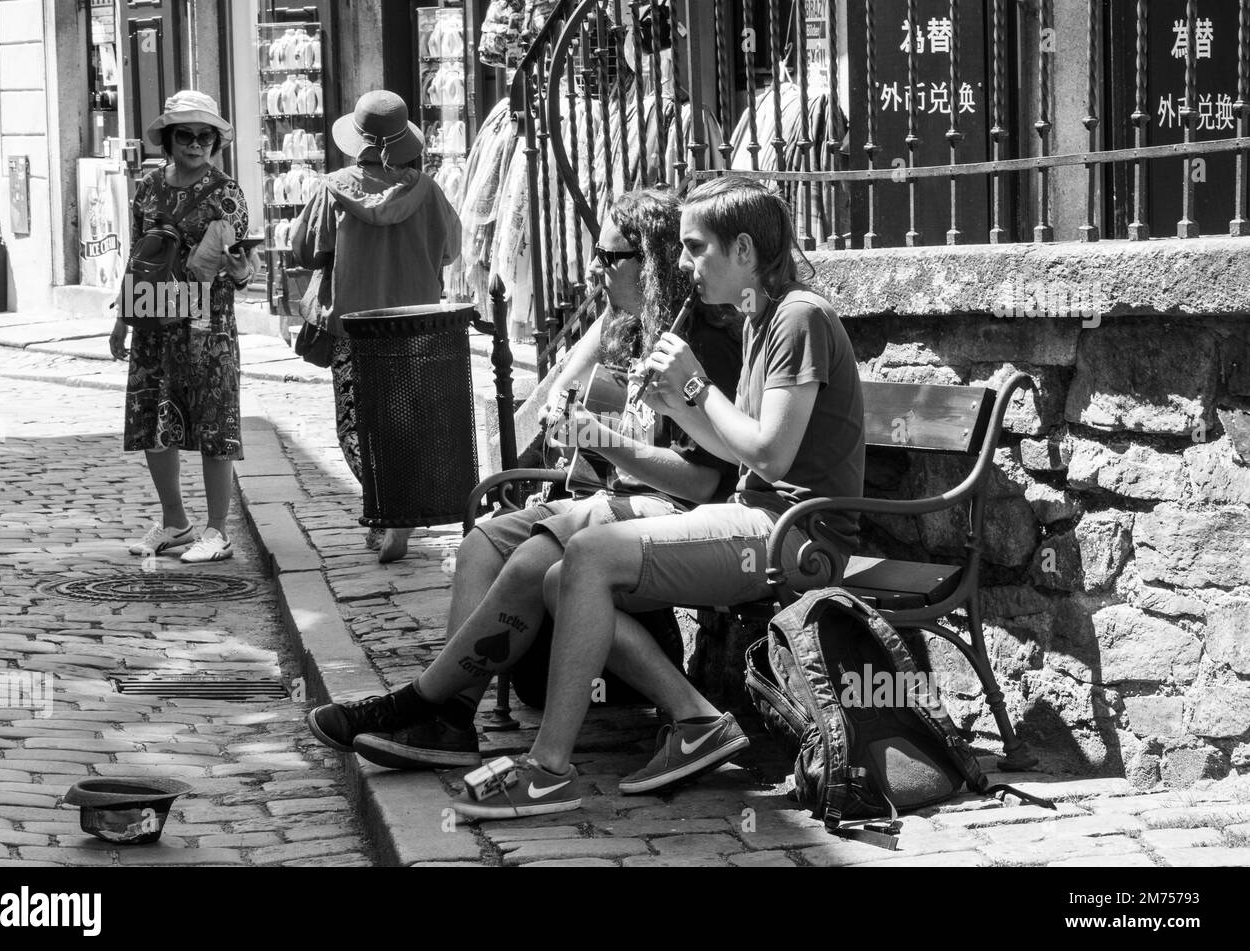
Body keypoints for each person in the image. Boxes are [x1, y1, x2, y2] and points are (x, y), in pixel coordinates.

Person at [452, 175, 867, 819]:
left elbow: (769, 455)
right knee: (563, 579)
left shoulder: (800, 318)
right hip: (755, 519)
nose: (681, 263)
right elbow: (731, 450)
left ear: (745, 251)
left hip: (794, 535)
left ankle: (547, 771)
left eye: (695, 247)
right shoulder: (761, 316)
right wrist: (675, 400)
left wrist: (697, 390)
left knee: (586, 556)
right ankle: (697, 721)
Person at [305, 187, 743, 769]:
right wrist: (579, 401)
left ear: (651, 261)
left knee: (540, 561)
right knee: (482, 543)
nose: (594, 268)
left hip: (672, 511)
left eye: (610, 258)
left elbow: (705, 484)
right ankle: (452, 718)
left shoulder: (698, 344)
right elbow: (566, 385)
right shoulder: (627, 326)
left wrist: (600, 439)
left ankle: (421, 703)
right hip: (610, 501)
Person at [290, 90, 462, 563]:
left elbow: (304, 250)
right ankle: (399, 505)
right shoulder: (427, 190)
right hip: (415, 328)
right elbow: (450, 251)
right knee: (405, 419)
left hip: (354, 327)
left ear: (359, 140)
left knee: (356, 424)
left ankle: (389, 507)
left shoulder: (333, 187)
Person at [112, 91, 255, 563]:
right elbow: (137, 255)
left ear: (215, 142)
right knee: (155, 420)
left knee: (214, 422)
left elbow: (242, 271)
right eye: (186, 135)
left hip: (205, 324)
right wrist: (121, 319)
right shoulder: (148, 188)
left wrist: (239, 267)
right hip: (154, 319)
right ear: (170, 140)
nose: (195, 143)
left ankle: (217, 531)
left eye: (204, 136)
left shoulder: (226, 193)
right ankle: (175, 522)